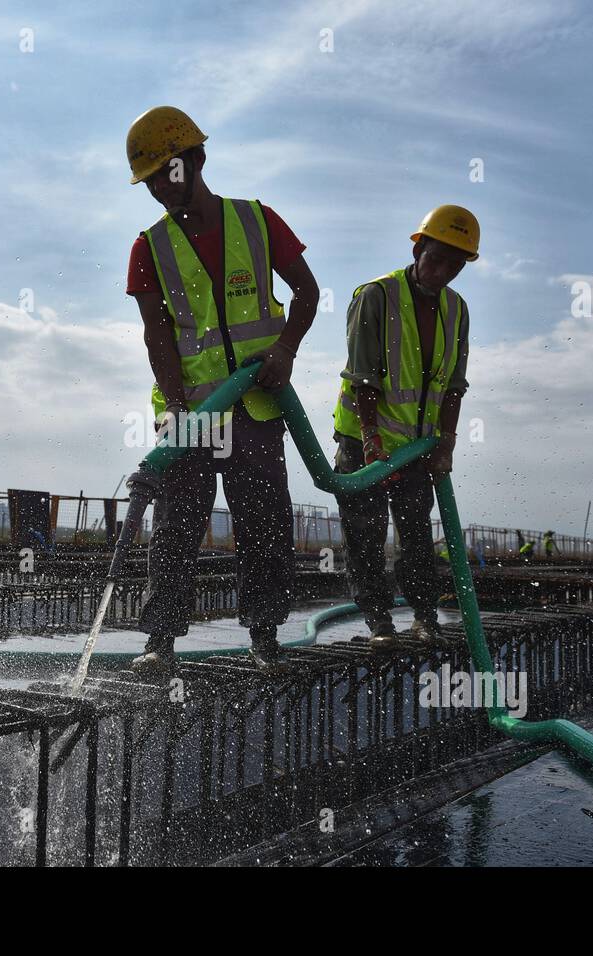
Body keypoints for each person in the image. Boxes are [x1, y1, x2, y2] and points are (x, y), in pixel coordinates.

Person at [124, 107, 320, 677]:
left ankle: (264, 637)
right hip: (188, 413)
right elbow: (156, 334)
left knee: (264, 521)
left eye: (169, 172)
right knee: (177, 525)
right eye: (152, 180)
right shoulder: (149, 247)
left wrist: (284, 352)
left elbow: (307, 291)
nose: (162, 187)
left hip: (257, 406)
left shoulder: (257, 222)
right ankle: (160, 642)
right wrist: (180, 406)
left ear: (198, 160)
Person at [332, 205, 478, 649]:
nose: (443, 271)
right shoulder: (377, 297)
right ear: (418, 248)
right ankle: (379, 622)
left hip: (416, 448)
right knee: (365, 533)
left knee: (416, 534)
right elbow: (363, 379)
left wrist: (446, 444)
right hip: (363, 440)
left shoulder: (457, 310)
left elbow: (454, 386)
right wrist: (374, 442)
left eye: (455, 265)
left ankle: (424, 616)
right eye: (436, 259)